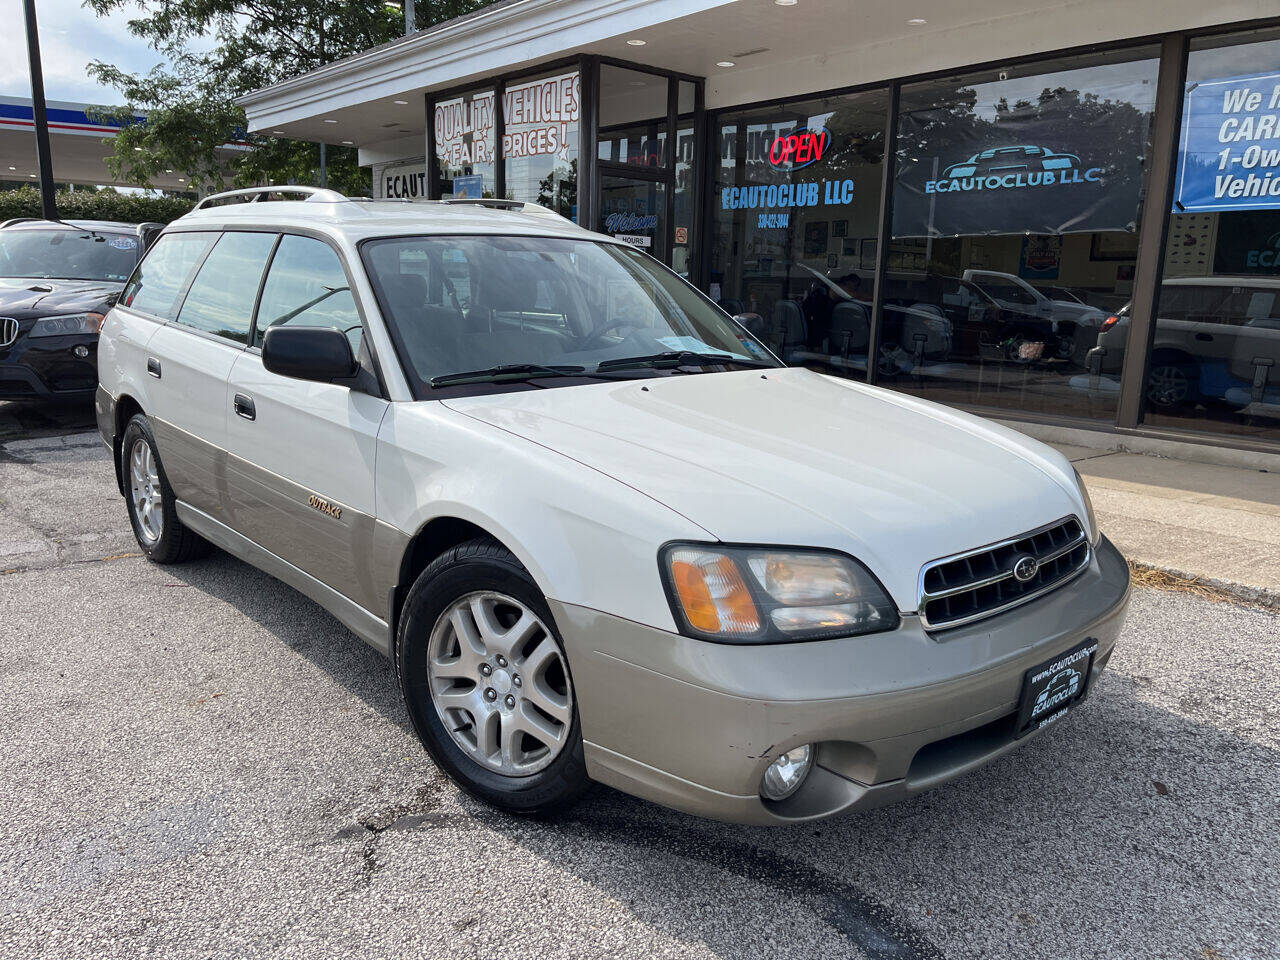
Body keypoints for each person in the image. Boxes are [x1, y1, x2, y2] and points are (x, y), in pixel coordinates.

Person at [800, 272, 864, 351]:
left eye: (855, 289)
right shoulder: (820, 302)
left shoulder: (833, 301)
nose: (852, 292)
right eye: (851, 288)